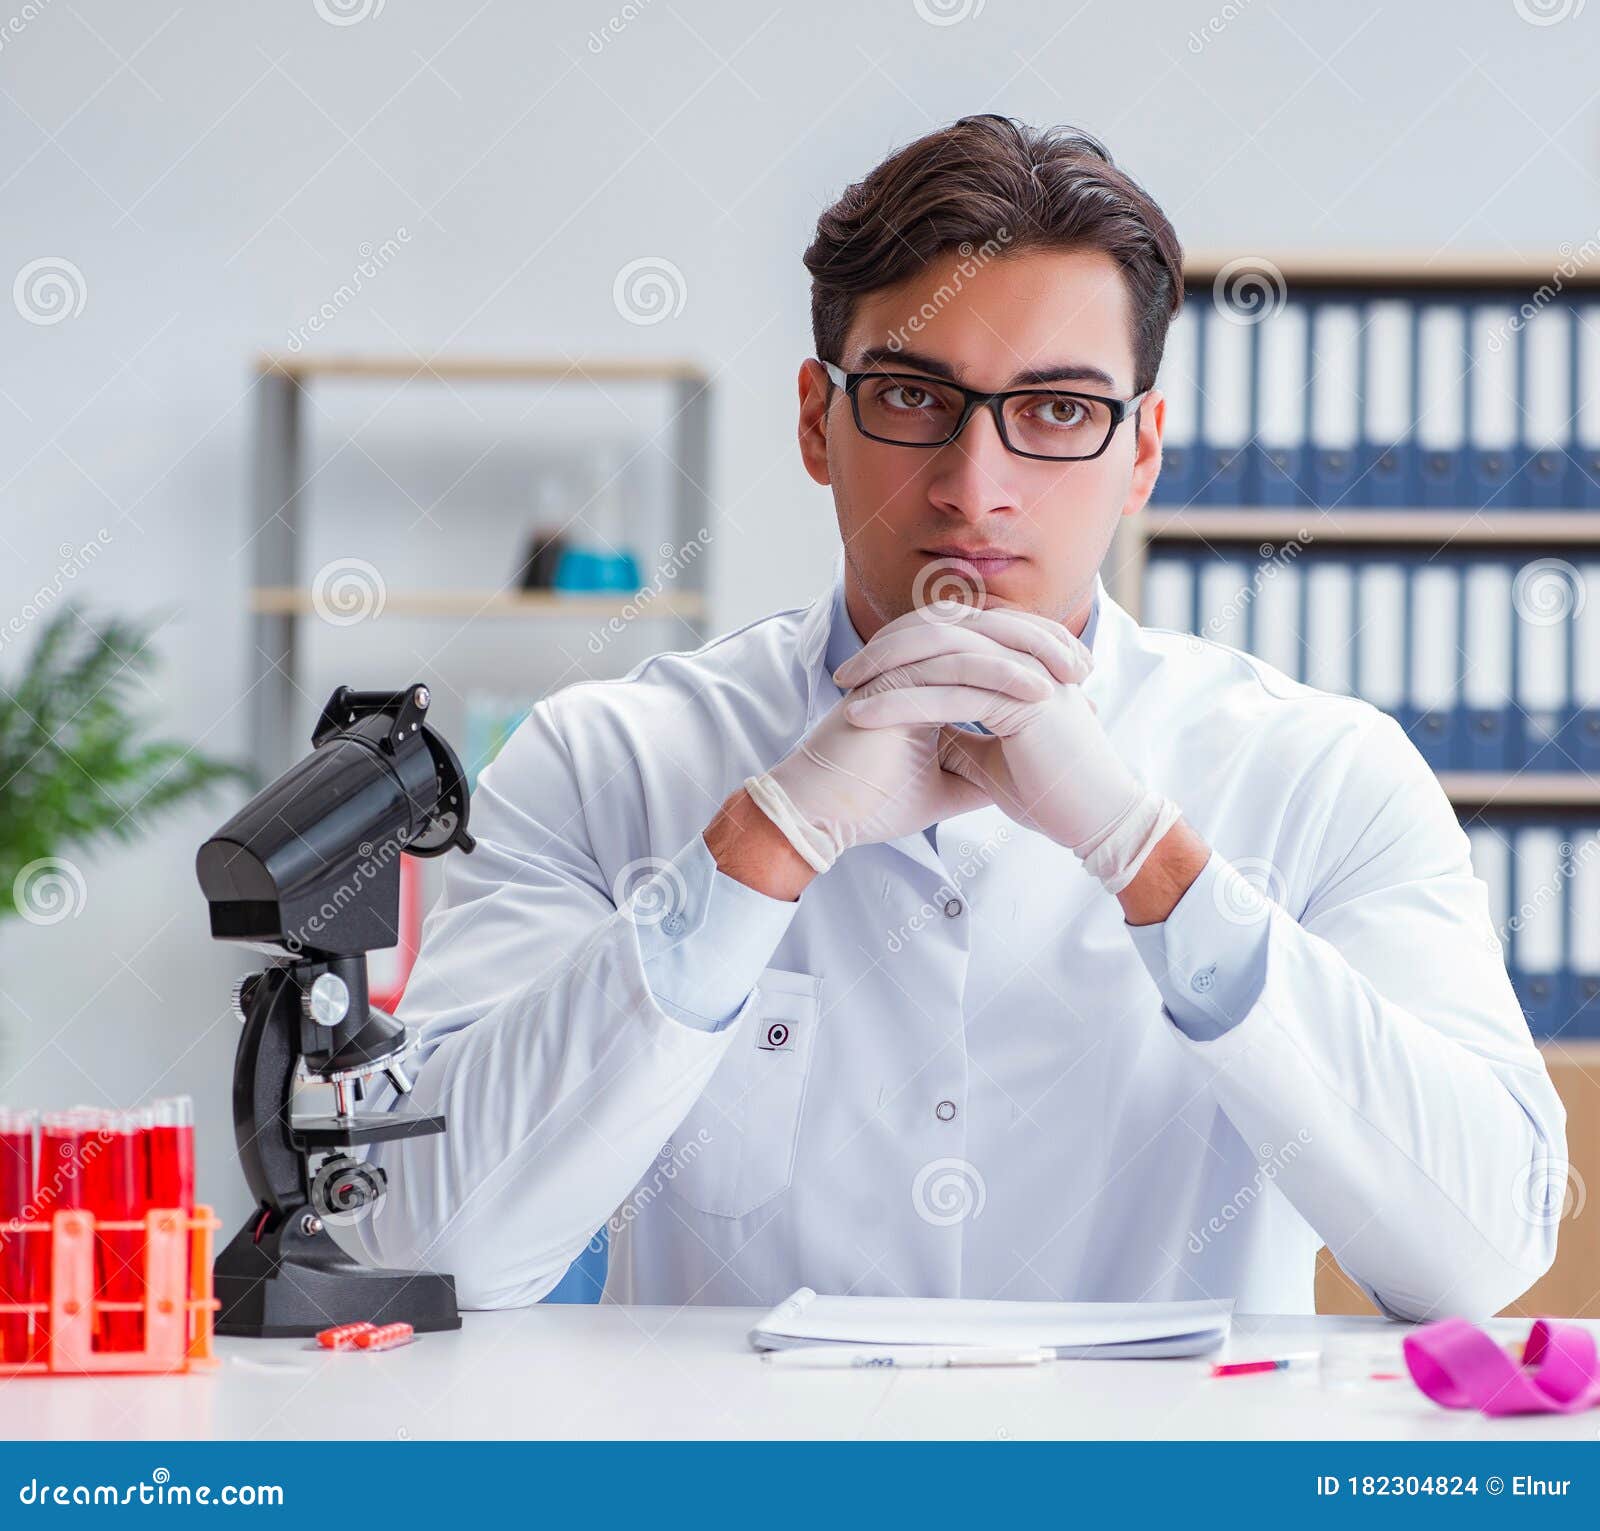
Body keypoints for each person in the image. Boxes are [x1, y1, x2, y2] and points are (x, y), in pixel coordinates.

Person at [344, 115, 1566, 1322]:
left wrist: (1153, 860)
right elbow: (427, 1242)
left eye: (1056, 410)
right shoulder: (604, 758)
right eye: (917, 395)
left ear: (1140, 451)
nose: (974, 487)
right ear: (818, 420)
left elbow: (1476, 1257)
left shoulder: (1319, 772)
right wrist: (757, 854)